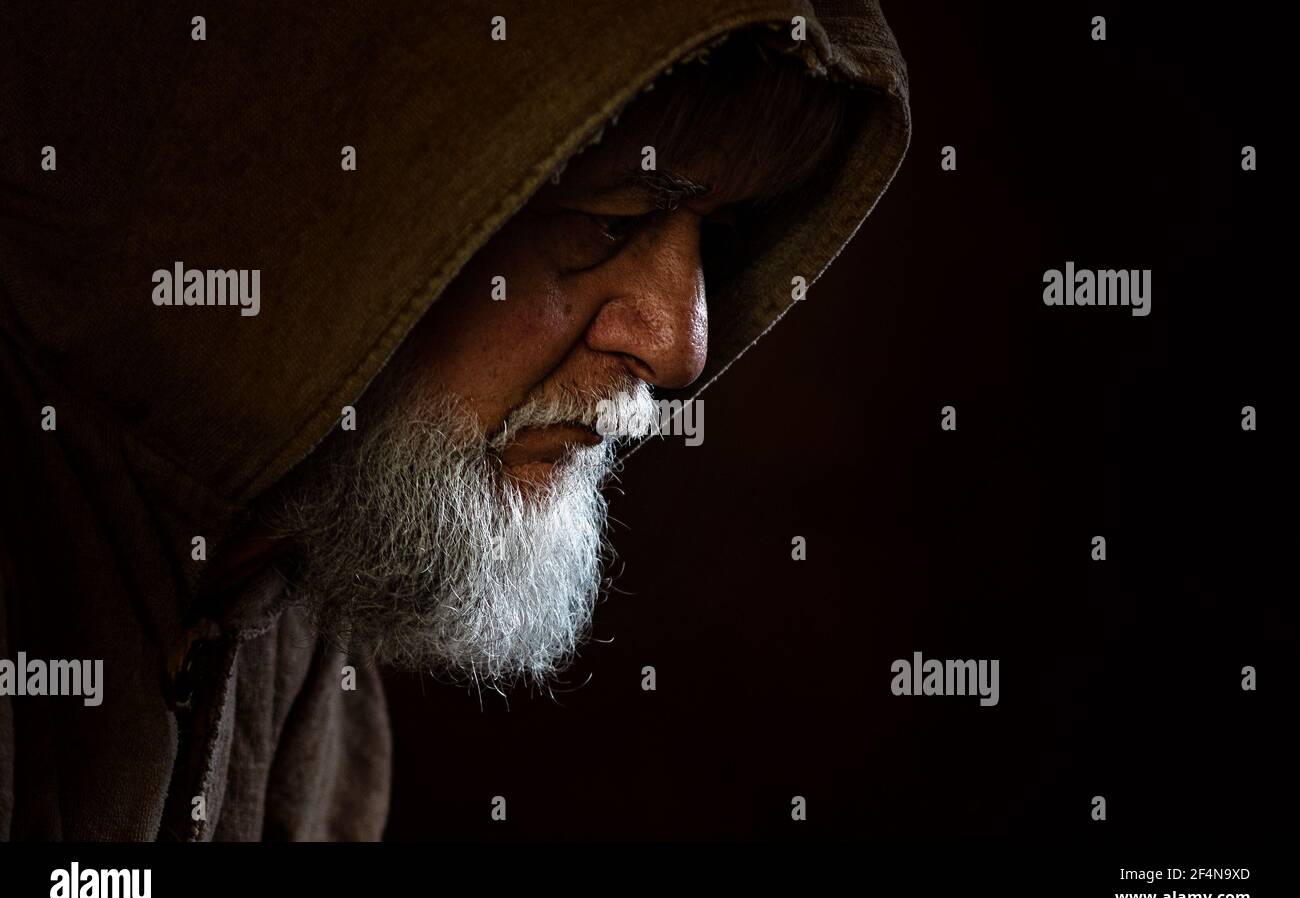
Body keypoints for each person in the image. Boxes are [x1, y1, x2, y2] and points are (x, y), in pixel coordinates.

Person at [0, 1, 909, 840]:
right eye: (605, 221)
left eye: (720, 232)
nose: (681, 348)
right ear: (329, 206)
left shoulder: (294, 593)